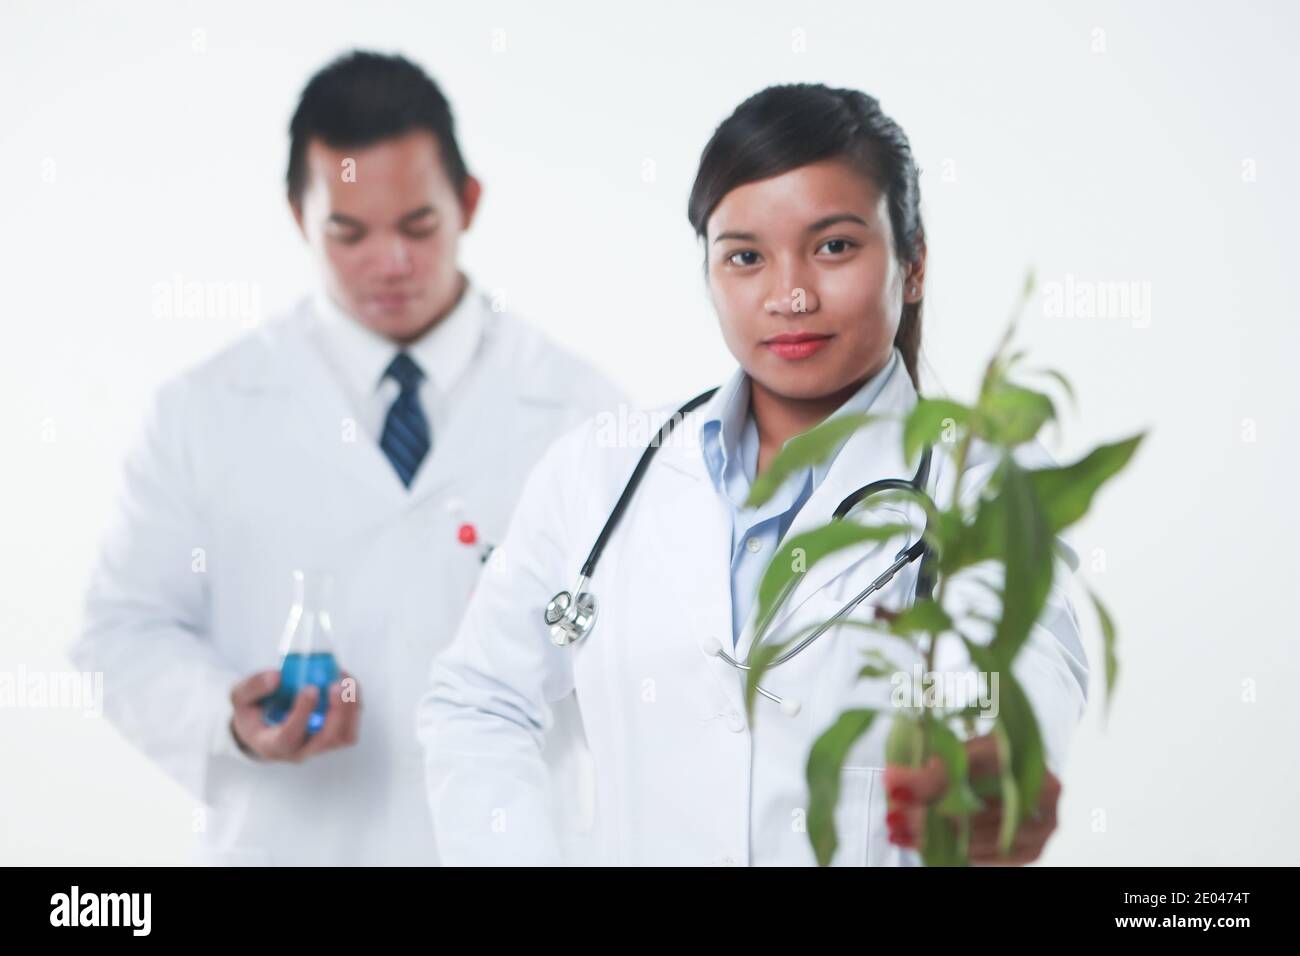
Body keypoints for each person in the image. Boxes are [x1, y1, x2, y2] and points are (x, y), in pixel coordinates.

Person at [417, 84, 1089, 866]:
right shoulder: (599, 467)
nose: (790, 294)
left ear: (912, 265)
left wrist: (1009, 762)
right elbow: (479, 701)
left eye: (834, 246)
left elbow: (1029, 659)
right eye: (745, 257)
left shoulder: (983, 483)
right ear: (709, 273)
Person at [72, 50, 621, 865]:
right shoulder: (201, 410)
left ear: (467, 203)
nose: (388, 263)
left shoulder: (580, 410)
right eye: (348, 231)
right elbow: (121, 634)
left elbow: (635, 657)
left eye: (417, 225)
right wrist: (230, 716)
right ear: (299, 215)